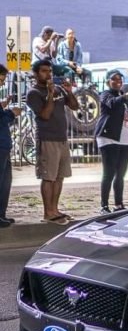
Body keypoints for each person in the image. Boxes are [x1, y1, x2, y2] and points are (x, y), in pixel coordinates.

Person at [26, 59, 80, 224]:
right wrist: (50, 95)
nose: (48, 74)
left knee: (59, 176)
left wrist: (69, 91)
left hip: (61, 138)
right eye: (44, 71)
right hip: (47, 138)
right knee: (48, 176)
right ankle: (47, 212)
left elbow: (74, 106)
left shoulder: (58, 89)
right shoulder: (34, 93)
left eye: (49, 71)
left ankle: (55, 209)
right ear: (36, 74)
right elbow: (44, 114)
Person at [94, 70, 128, 214]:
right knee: (109, 172)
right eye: (114, 79)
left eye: (120, 79)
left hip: (124, 139)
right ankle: (104, 206)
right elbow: (111, 104)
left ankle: (119, 204)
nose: (118, 82)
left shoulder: (124, 97)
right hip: (109, 137)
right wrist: (127, 95)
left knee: (120, 174)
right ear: (108, 81)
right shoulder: (105, 94)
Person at [0, 65, 21, 228]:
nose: (2, 84)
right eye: (0, 80)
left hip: (4, 145)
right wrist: (11, 113)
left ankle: (2, 213)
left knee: (6, 181)